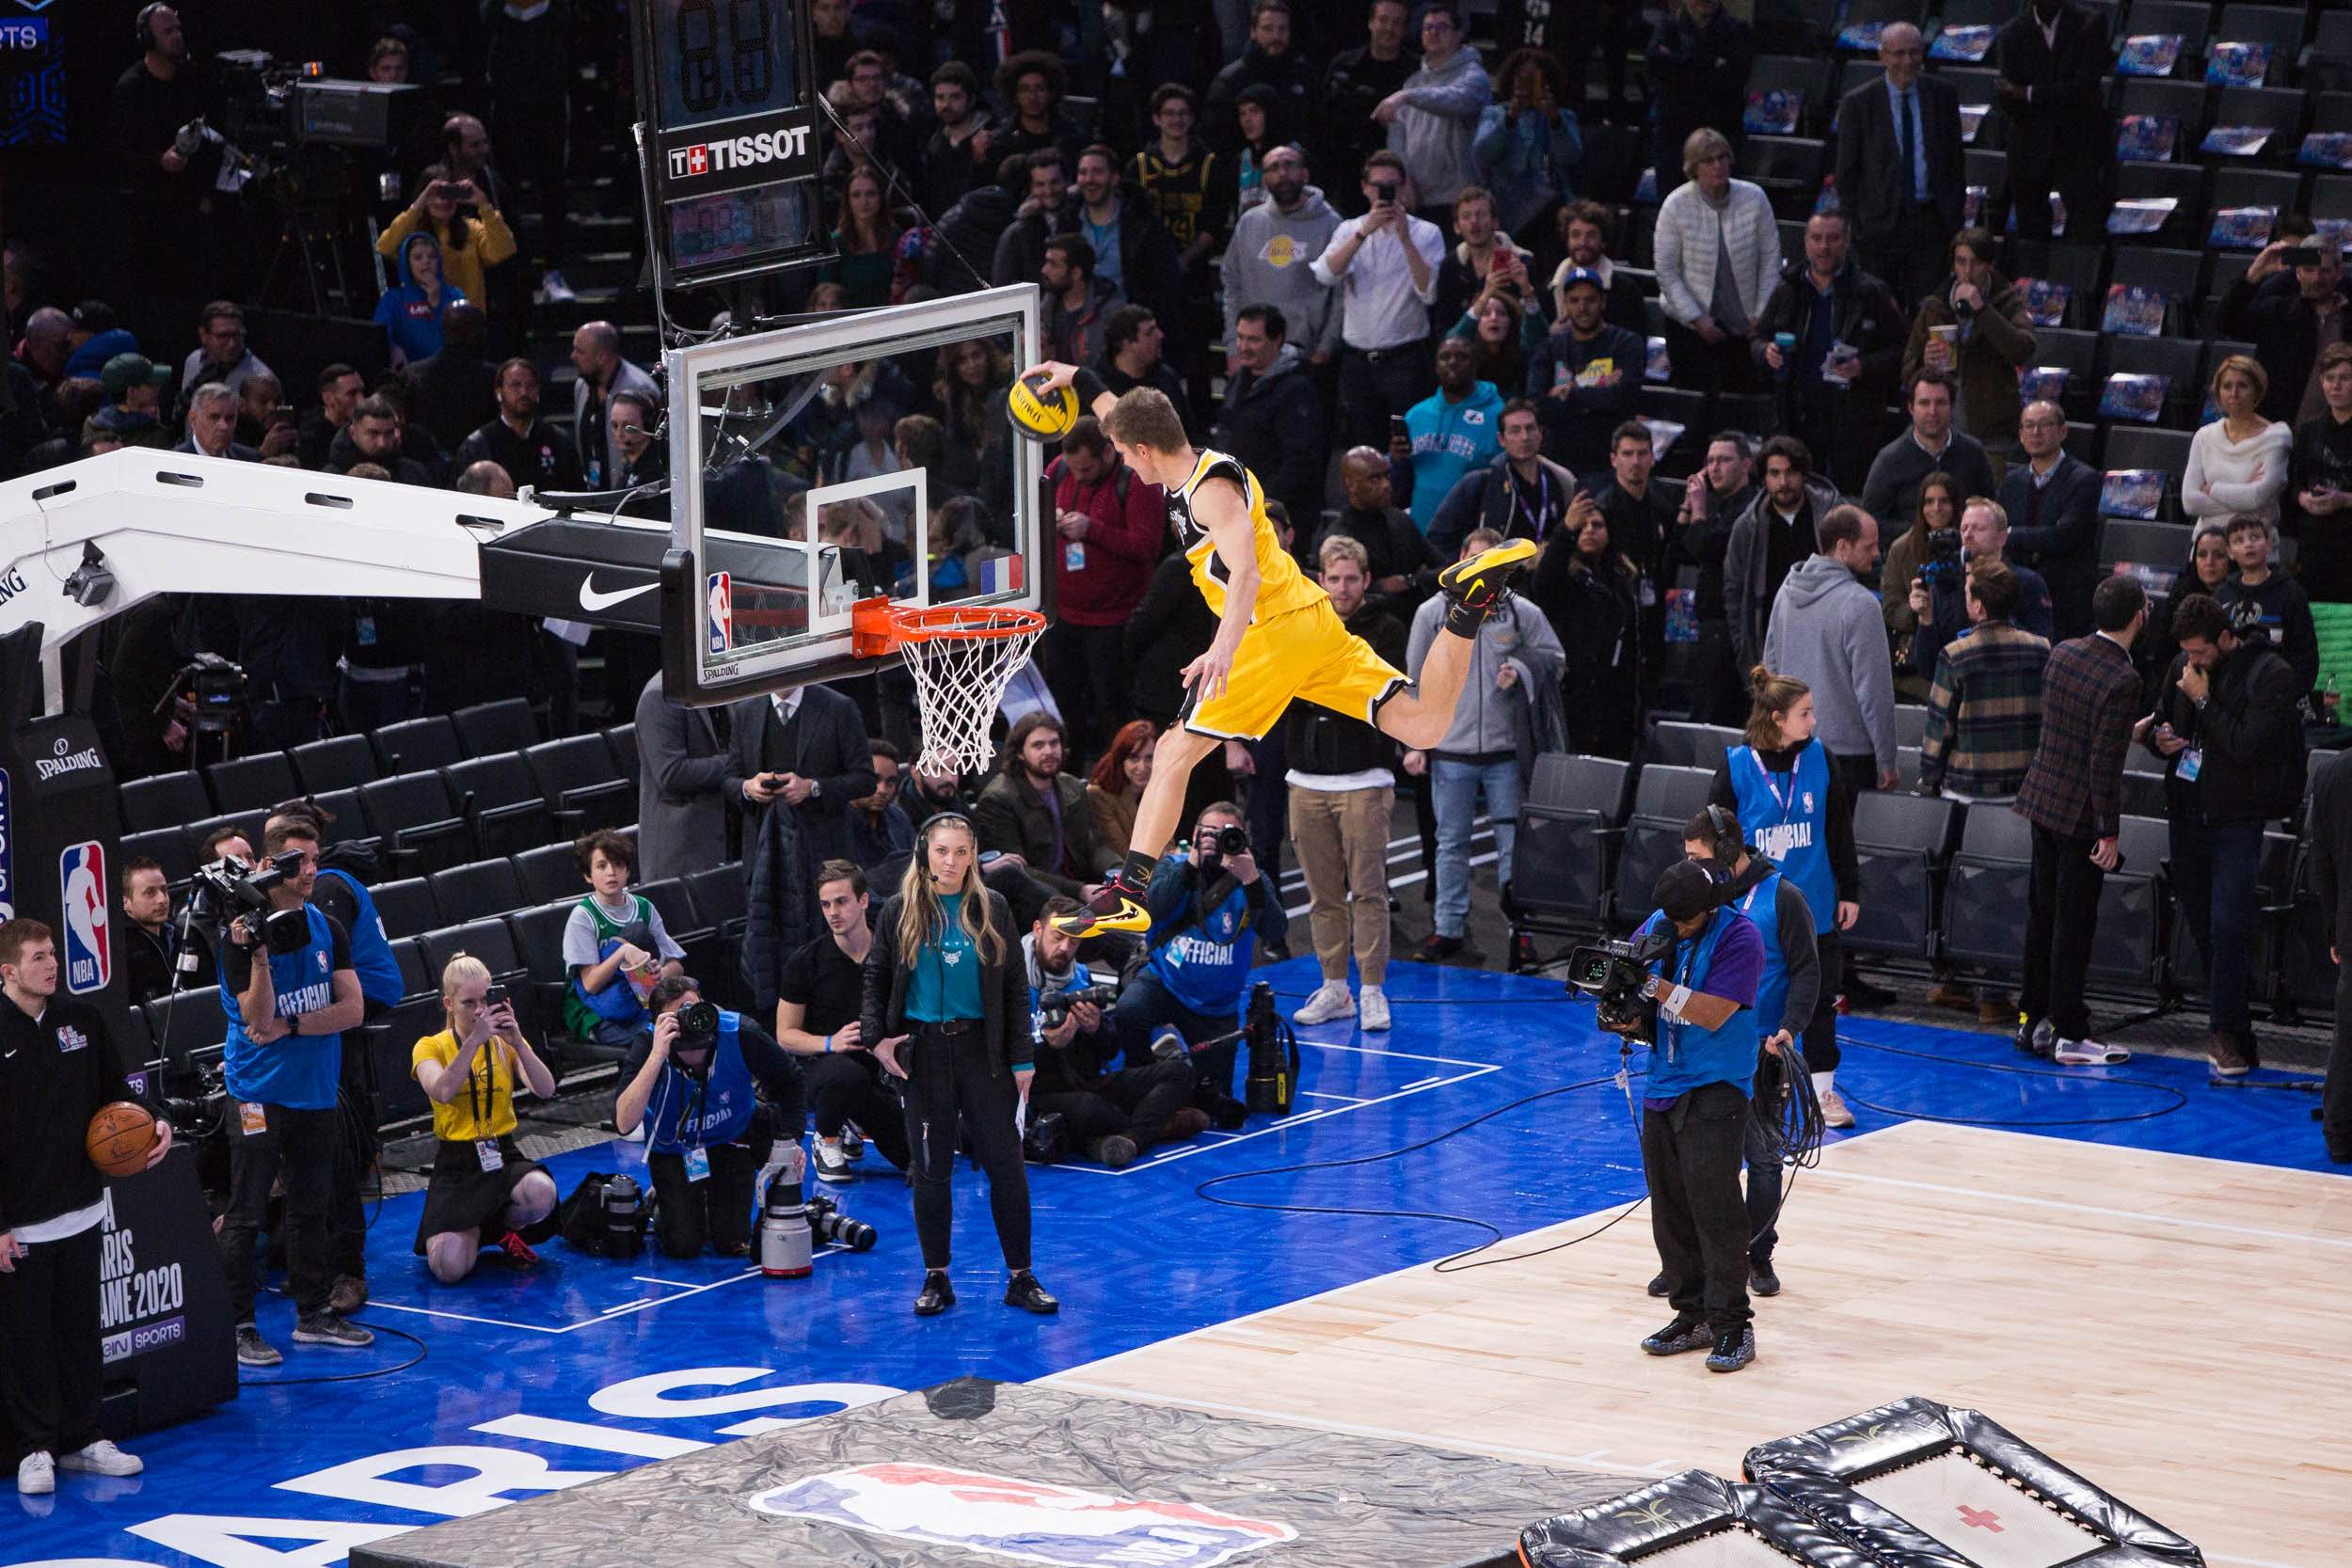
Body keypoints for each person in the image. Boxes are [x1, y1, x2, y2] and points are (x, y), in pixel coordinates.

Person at [1019, 372, 1537, 940]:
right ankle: (1467, 604)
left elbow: (1247, 571)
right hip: (1310, 624)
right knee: (1425, 724)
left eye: (1121, 450)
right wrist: (1076, 376)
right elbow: (1123, 414)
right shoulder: (1181, 460)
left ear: (1144, 449)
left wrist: (1222, 647)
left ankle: (1129, 892)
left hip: (1270, 631)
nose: (1119, 457)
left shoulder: (1209, 492)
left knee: (1172, 753)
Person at [861, 813, 1056, 1316]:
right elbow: (877, 975)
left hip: (983, 1052)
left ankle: (1021, 1276)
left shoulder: (992, 907)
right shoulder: (900, 910)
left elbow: (1014, 985)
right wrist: (876, 1040)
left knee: (1007, 1167)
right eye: (942, 851)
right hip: (924, 1054)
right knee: (930, 1169)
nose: (951, 861)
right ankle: (936, 1277)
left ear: (974, 856)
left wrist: (1022, 1057)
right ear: (925, 851)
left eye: (962, 852)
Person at [0, 918, 167, 1495]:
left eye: (53, 954)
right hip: (21, 1221)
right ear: (8, 970)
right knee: (26, 1341)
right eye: (38, 957)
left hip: (82, 1208)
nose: (51, 964)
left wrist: (154, 1124)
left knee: (78, 1333)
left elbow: (123, 1090)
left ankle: (82, 1438)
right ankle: (34, 1449)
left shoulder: (82, 1020)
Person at [215, 820, 369, 1367]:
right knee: (248, 1210)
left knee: (311, 1206)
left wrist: (296, 1024)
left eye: (314, 859)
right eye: (299, 862)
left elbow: (354, 1009)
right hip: (255, 1091)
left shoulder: (329, 926)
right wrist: (259, 956)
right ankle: (238, 1325)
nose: (310, 871)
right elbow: (257, 1018)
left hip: (314, 1090)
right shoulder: (238, 938)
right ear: (272, 866)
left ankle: (313, 1315)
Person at [1613, 859, 1766, 1374]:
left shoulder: (1740, 938)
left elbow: (1712, 1012)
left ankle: (1732, 1326)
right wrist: (1624, 1011)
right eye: (1669, 919)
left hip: (1716, 1086)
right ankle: (1691, 1314)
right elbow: (1627, 984)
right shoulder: (1659, 924)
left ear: (1707, 909)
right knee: (1670, 1207)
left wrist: (1652, 989)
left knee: (1715, 1209)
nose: (1673, 929)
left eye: (1684, 922)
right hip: (1663, 1082)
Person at [2144, 594, 2305, 1079]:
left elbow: (2244, 744)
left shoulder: (2270, 675)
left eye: (2201, 652)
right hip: (2188, 813)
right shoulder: (2181, 664)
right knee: (2203, 926)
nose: (2193, 661)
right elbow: (2165, 725)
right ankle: (2237, 1031)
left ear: (2226, 638)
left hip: (2238, 818)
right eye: (2187, 653)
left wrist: (2202, 699)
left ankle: (2223, 1031)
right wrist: (2161, 739)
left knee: (2230, 925)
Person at [1676, 807, 1819, 1300]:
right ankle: (1694, 1260)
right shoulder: (1700, 898)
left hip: (1761, 1051)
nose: (1690, 866)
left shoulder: (1783, 897)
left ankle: (1757, 1254)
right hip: (1706, 1046)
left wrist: (1789, 1028)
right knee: (1698, 1161)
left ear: (1731, 854)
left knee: (1762, 1161)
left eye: (1699, 857)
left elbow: (1807, 970)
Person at [1406, 528, 1565, 966]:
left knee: (1514, 845)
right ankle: (1448, 929)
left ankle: (1522, 929)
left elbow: (1555, 658)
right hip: (1451, 750)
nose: (1483, 572)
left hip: (1504, 751)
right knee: (1450, 843)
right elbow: (1412, 680)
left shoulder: (1519, 613)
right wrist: (1414, 742)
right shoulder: (1432, 614)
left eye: (1492, 565)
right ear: (1461, 560)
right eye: (1475, 561)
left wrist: (1519, 666)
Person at [1711, 671, 1859, 1130]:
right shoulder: (1736, 766)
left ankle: (1822, 1092)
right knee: (1748, 998)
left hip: (1813, 903)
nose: (1813, 720)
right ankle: (1743, 1081)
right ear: (1777, 718)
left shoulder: (1820, 759)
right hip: (1756, 913)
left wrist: (1850, 889)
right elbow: (1717, 844)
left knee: (1819, 999)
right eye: (1805, 713)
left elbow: (1839, 830)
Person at [2014, 574, 2150, 1066]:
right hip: (2080, 817)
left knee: (2042, 915)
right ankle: (2070, 1033)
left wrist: (2124, 728)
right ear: (2141, 615)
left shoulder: (2064, 653)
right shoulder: (2123, 679)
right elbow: (2103, 764)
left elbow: (2072, 726)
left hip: (2043, 800)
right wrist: (2108, 832)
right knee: (2073, 924)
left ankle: (2031, 1020)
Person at [1918, 561, 2049, 1024]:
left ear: (1976, 603)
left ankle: (1957, 982)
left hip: (1967, 795)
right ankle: (1995, 992)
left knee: (1966, 890)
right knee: (2010, 893)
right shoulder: (2041, 649)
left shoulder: (1957, 654)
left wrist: (1928, 778)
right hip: (2023, 795)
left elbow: (1938, 728)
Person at [1288, 537, 1407, 1030]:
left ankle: (1373, 989)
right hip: (1305, 780)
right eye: (1333, 578)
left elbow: (1382, 692)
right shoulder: (1297, 625)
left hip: (1365, 779)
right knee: (1322, 895)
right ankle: (1336, 987)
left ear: (1365, 580)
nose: (1341, 587)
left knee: (1369, 891)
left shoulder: (1388, 629)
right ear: (1320, 579)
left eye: (1351, 578)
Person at [1109, 802, 1289, 1113]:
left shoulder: (1252, 878)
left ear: (1241, 838)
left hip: (1215, 1006)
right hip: (1166, 982)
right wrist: (1191, 864)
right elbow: (1152, 911)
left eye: (1226, 834)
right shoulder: (1172, 865)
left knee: (1210, 1098)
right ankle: (1141, 1071)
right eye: (1209, 833)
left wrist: (1251, 881)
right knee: (1128, 1011)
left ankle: (1172, 1064)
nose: (1216, 841)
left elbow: (1275, 929)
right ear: (1194, 835)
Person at [613, 977, 806, 1259]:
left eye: (694, 1010)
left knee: (731, 1241)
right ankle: (664, 1200)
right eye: (678, 1016)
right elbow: (624, 1122)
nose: (690, 1022)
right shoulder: (647, 1045)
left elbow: (790, 1080)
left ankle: (710, 1200)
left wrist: (790, 1141)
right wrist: (657, 1055)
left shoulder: (740, 1033)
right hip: (674, 1149)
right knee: (684, 1246)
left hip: (734, 1137)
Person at [409, 955, 557, 1282]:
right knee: (448, 1270)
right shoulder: (430, 1046)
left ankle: (505, 1228)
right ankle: (474, 1228)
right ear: (449, 1003)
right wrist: (475, 1040)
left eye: (485, 999)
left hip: (500, 1152)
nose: (479, 1009)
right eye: (468, 1002)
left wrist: (518, 1041)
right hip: (458, 1161)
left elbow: (545, 1089)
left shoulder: (504, 1042)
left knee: (541, 1192)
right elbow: (443, 1090)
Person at [1025, 898, 1204, 1167]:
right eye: (1058, 937)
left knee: (1178, 1072)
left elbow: (1110, 1051)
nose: (1065, 948)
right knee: (1091, 1109)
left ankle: (1126, 1140)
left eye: (1074, 941)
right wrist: (1046, 1044)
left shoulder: (1081, 977)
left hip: (1088, 1081)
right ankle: (1158, 1127)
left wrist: (1096, 1029)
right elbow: (994, 1056)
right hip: (1038, 1093)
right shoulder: (1008, 979)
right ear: (1038, 930)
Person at [1751, 210, 1907, 494]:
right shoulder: (1787, 288)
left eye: (1833, 239)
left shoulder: (1870, 292)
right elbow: (1758, 339)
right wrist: (1767, 352)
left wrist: (1864, 366)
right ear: (1806, 241)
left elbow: (1900, 350)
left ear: (1846, 242)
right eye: (1817, 238)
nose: (1824, 246)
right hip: (1796, 417)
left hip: (1852, 421)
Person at [776, 862, 907, 1182]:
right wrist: (829, 1042)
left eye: (842, 901)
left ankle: (855, 1120)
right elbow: (785, 1035)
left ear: (863, 901)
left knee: (922, 1161)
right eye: (825, 904)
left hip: (886, 1067)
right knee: (843, 1074)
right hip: (828, 1069)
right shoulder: (806, 961)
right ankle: (828, 1139)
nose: (833, 912)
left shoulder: (896, 951)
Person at [1041, 417, 1163, 757]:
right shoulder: (1060, 468)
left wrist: (1092, 530)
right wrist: (1048, 516)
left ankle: (1117, 782)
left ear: (1109, 451)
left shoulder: (1138, 480)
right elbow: (1032, 508)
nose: (1078, 475)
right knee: (1063, 703)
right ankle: (1066, 775)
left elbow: (1147, 547)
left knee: (1112, 707)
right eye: (1073, 468)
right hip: (1062, 614)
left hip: (1113, 621)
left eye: (1087, 469)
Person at [1763, 503, 1898, 811]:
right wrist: (1887, 759)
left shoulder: (1786, 591)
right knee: (1840, 856)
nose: (1877, 554)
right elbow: (1874, 692)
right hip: (1845, 760)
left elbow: (1768, 672)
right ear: (1842, 547)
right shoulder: (1861, 604)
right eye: (1869, 546)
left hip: (1790, 749)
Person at [1313, 150, 1446, 451]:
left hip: (1406, 359)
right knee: (1365, 444)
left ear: (1403, 187)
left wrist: (1405, 239)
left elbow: (1429, 292)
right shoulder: (1349, 229)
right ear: (1365, 187)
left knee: (1409, 445)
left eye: (1392, 186)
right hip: (1358, 361)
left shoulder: (1426, 232)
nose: (1385, 193)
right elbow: (1325, 274)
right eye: (1378, 185)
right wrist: (1364, 232)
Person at [1834, 23, 1961, 306]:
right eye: (1898, 53)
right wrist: (1857, 226)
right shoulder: (1858, 103)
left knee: (1931, 312)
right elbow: (1847, 173)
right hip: (1879, 228)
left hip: (1931, 224)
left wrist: (1952, 221)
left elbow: (1955, 164)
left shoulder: (1943, 95)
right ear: (1882, 56)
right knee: (1878, 313)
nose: (1907, 61)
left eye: (1914, 53)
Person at [1653, 129, 1779, 397]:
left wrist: (1760, 314)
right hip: (1689, 328)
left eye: (1723, 157)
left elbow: (1771, 261)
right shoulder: (1675, 205)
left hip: (1746, 327)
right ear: (1693, 167)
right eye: (1708, 160)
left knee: (1742, 404)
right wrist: (1697, 319)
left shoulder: (1755, 198)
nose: (1718, 166)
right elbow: (1666, 272)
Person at [1529, 488, 1644, 760]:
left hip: (1617, 700)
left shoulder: (1621, 578)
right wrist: (1566, 530)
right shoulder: (1563, 576)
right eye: (1583, 525)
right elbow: (1543, 584)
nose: (1589, 530)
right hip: (1575, 696)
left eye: (1597, 525)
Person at [1902, 228, 2034, 454]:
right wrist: (1925, 362)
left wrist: (1983, 311)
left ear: (1990, 265)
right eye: (1961, 262)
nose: (1967, 271)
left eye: (1976, 263)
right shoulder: (1936, 304)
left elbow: (2022, 350)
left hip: (1991, 431)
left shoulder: (2008, 301)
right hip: (1941, 427)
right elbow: (1907, 370)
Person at [1994, 0, 2114, 247]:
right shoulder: (2012, 32)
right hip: (2028, 147)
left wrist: (2028, 93)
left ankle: (2081, 285)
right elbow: (2008, 100)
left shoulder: (2090, 23)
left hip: (2078, 144)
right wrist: (2053, 94)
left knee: (2087, 231)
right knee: (2030, 235)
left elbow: (2083, 90)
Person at [724, 680, 877, 869]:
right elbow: (729, 779)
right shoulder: (745, 711)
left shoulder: (839, 707)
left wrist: (812, 788)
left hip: (824, 852)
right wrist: (748, 787)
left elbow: (865, 780)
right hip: (764, 853)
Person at [1723, 436, 1841, 676]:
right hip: (1770, 645)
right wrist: (1745, 650)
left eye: (1790, 472)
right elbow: (1734, 590)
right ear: (1764, 478)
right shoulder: (1747, 527)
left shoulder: (1833, 516)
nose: (1783, 482)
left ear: (1803, 474)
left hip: (1826, 641)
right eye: (1774, 474)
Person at [1906, 497, 2055, 689]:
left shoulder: (2027, 583)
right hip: (1956, 699)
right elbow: (1927, 668)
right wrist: (1925, 620)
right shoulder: (1946, 583)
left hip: (2006, 693)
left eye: (1978, 529)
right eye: (1964, 528)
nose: (1968, 535)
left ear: (2002, 538)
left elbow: (2042, 654)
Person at [1219, 145, 1344, 371]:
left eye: (1289, 165)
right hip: (1254, 353)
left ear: (1305, 174)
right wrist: (1232, 346)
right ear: (1265, 179)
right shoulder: (1249, 223)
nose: (1282, 174)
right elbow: (1231, 285)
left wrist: (1326, 347)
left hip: (1307, 353)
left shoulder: (1331, 224)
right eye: (1273, 168)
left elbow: (1341, 295)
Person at [562, 829, 686, 1051]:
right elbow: (590, 984)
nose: (611, 872)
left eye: (618, 864)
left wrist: (659, 975)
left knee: (700, 1022)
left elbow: (676, 964)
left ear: (628, 870)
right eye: (602, 866)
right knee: (658, 1038)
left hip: (642, 1004)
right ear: (588, 875)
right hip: (597, 1012)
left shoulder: (644, 907)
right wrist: (622, 952)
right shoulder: (583, 917)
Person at [975, 714, 1123, 899]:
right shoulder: (998, 799)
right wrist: (1079, 891)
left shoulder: (1074, 787)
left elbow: (1095, 845)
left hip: (1081, 886)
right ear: (1020, 753)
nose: (1049, 751)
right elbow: (1017, 873)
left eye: (1054, 743)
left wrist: (1117, 869)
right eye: (1038, 745)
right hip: (1034, 897)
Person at [1214, 306, 1325, 535]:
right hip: (1240, 506)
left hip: (1280, 514)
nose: (1243, 347)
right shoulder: (1239, 380)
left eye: (1253, 340)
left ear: (1278, 340)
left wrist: (1259, 502)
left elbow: (1299, 462)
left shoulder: (1297, 389)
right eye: (1241, 338)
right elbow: (1226, 433)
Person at [2217, 236, 2352, 426]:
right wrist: (2253, 273)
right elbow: (2227, 323)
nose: (2316, 278)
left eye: (2325, 271)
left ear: (2338, 272)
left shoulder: (2348, 318)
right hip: (2274, 429)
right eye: (2308, 270)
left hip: (2335, 436)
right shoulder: (2277, 311)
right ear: (2297, 272)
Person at [2000, 399, 2105, 641]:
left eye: (2045, 425)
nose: (2036, 432)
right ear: (2021, 434)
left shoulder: (2084, 479)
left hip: (2065, 598)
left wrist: (2012, 534)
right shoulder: (2011, 482)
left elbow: (2064, 537)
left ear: (2062, 431)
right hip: (2018, 593)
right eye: (2029, 425)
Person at [1526, 268, 1644, 478]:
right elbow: (1536, 404)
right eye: (1574, 300)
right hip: (1558, 460)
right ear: (1565, 304)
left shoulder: (1626, 343)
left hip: (1609, 461)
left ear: (1603, 302)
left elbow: (1624, 397)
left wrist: (1567, 393)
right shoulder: (1550, 348)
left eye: (1590, 300)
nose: (1582, 308)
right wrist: (1599, 391)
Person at [1376, 0, 1489, 220]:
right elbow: (1397, 137)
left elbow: (1455, 100)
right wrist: (1403, 178)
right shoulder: (1412, 82)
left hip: (1458, 200)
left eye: (1442, 28)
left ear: (1457, 35)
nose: (1433, 33)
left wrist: (1407, 96)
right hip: (1416, 198)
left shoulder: (1474, 76)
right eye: (1428, 28)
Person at [1680, 432, 1761, 723]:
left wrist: (1698, 509)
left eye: (1724, 460)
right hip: (1708, 625)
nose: (1714, 468)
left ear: (1746, 465)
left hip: (1730, 628)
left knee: (1715, 713)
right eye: (1710, 461)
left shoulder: (1749, 510)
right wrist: (1687, 508)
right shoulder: (1718, 503)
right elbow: (1684, 549)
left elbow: (1707, 546)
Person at [1433, 398, 1577, 557]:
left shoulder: (1562, 481)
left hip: (1545, 576)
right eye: (1515, 430)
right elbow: (1438, 538)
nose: (1524, 437)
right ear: (1501, 439)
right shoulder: (1479, 483)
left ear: (1540, 433)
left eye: (1530, 428)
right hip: (1493, 577)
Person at [1643, 0, 1754, 201]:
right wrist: (1710, 63)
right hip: (1673, 139)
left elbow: (1732, 78)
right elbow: (1655, 63)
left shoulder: (1738, 30)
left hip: (1721, 136)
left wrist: (1680, 63)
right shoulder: (1667, 27)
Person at [1392, 336, 1504, 533]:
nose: (1452, 362)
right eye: (1445, 357)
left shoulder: (1496, 414)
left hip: (1470, 534)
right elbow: (1400, 477)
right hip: (1421, 531)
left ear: (1475, 364)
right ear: (1436, 366)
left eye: (1461, 357)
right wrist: (1395, 458)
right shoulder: (1416, 414)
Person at [374, 166, 517, 320]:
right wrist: (417, 206)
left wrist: (484, 205)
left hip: (467, 324)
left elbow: (504, 250)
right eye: (435, 195)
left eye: (448, 194)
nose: (442, 201)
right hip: (423, 323)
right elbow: (384, 247)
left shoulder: (472, 229)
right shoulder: (411, 230)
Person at [1860, 372, 1998, 528]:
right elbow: (1871, 522)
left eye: (1940, 403)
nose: (1933, 412)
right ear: (1911, 408)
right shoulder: (1889, 459)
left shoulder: (1974, 453)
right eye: (1924, 403)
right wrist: (1918, 536)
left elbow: (1992, 511)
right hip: (1909, 549)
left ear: (1952, 406)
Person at [1321, 0, 1420, 211]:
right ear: (1370, 23)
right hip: (1347, 173)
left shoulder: (1417, 72)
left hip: (1397, 174)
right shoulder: (1344, 65)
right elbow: (1325, 118)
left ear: (1404, 29)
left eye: (1397, 22)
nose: (1389, 28)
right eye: (1383, 20)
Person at [633, 672, 730, 883]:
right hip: (682, 853)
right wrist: (735, 763)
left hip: (723, 842)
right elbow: (672, 773)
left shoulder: (722, 682)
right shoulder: (660, 695)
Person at [2215, 512, 2321, 705]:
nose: (2248, 544)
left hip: (2277, 694)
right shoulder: (2222, 594)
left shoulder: (2291, 593)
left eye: (2255, 537)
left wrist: (2287, 694)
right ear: (2229, 552)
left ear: (2269, 543)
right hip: (2230, 693)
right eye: (2239, 540)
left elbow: (2305, 656)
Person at [1321, 445, 1443, 607]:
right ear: (1351, 485)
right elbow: (1333, 591)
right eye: (1374, 479)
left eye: (1387, 476)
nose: (1386, 484)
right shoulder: (1337, 539)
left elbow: (1444, 567)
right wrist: (1378, 587)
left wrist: (1411, 581)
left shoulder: (1400, 520)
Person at [2303, 757, 2352, 1163]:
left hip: (2349, 923)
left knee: (2349, 1033)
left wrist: (2334, 927)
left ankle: (2339, 1133)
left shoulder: (2331, 774)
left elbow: (2322, 862)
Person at [2185, 356, 2294, 537]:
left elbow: (2257, 497)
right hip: (2209, 548)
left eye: (2242, 386)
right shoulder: (2204, 436)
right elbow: (2190, 502)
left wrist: (2213, 490)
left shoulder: (2277, 437)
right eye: (2227, 386)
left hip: (2254, 546)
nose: (2233, 393)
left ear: (2257, 391)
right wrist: (2244, 495)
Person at [453, 357, 581, 496]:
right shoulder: (477, 445)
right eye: (515, 385)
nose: (523, 392)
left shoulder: (558, 440)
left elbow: (578, 494)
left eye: (530, 385)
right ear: (499, 392)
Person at [1204, 0, 1319, 153]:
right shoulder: (1230, 81)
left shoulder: (1304, 75)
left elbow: (1319, 129)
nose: (1276, 36)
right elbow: (1216, 139)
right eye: (1267, 29)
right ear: (1253, 31)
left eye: (1282, 29)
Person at [2290, 342, 2352, 604]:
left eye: (2345, 378)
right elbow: (2293, 485)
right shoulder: (2309, 430)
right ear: (2321, 382)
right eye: (2330, 378)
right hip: (2316, 544)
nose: (2336, 386)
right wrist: (2304, 499)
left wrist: (2345, 500)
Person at [568, 322, 658, 489]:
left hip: (630, 496)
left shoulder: (640, 389)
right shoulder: (582, 385)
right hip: (594, 491)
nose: (573, 356)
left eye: (580, 351)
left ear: (601, 357)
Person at [1550, 201, 1648, 336]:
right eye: (1575, 235)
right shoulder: (1549, 289)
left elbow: (1634, 348)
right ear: (1566, 239)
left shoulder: (1627, 291)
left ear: (1603, 241)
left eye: (1591, 235)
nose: (1582, 242)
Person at [121, 855, 209, 1002]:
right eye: (150, 893)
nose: (162, 899)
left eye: (164, 890)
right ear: (126, 903)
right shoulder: (121, 950)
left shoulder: (187, 935)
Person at [373, 232, 465, 369]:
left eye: (432, 257)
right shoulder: (393, 299)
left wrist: (436, 303)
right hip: (409, 373)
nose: (426, 261)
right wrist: (392, 348)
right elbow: (379, 336)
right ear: (407, 264)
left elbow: (464, 337)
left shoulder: (455, 295)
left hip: (449, 371)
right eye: (418, 257)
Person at [1086, 721, 1158, 859]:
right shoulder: (1099, 795)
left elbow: (1169, 844)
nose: (1142, 767)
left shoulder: (1159, 790)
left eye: (1149, 758)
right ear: (1120, 759)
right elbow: (1124, 853)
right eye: (1133, 758)